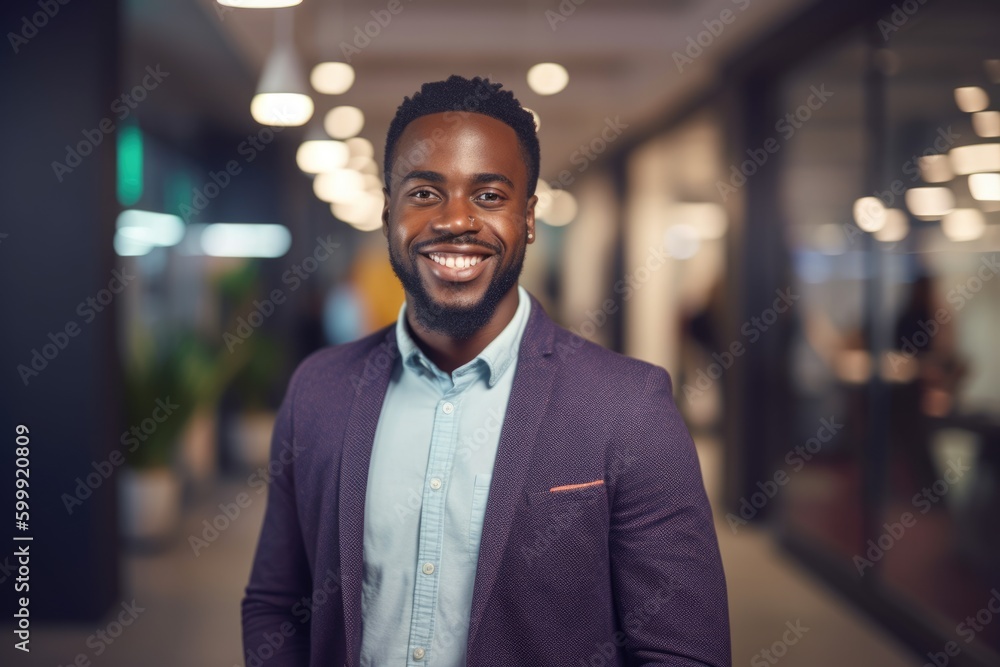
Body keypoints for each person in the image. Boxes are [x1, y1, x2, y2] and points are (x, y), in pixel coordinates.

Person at [241, 75, 730, 667]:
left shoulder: (628, 408)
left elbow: (682, 652)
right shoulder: (318, 389)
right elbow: (277, 603)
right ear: (386, 211)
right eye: (424, 193)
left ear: (528, 217)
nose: (455, 221)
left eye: (489, 196)